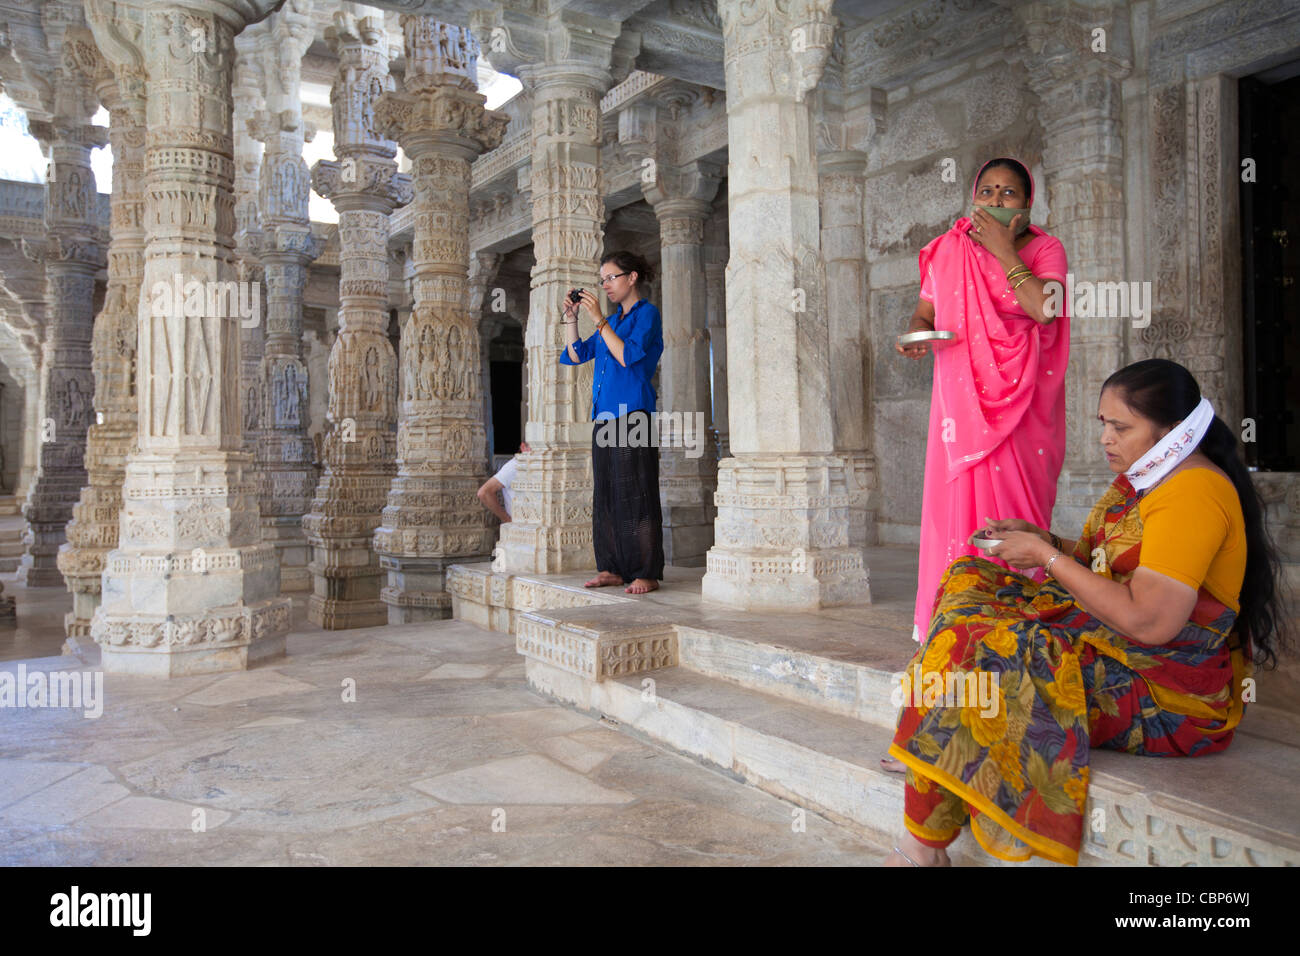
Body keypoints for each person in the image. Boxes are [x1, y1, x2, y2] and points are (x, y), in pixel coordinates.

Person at [884, 359, 1287, 867]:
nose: (1105, 438)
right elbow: (1116, 563)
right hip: (1115, 644)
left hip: (1163, 692)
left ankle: (922, 842)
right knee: (971, 580)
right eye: (1103, 423)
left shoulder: (1192, 493)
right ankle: (936, 742)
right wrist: (1045, 541)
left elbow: (1150, 622)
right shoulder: (1156, 476)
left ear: (1174, 429)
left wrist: (1046, 559)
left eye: (1121, 426)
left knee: (983, 662)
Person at [897, 158, 1071, 644]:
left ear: (1027, 203)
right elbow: (927, 307)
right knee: (955, 506)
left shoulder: (1045, 248)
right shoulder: (950, 249)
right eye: (988, 191)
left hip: (1024, 400)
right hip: (960, 402)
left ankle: (1014, 623)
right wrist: (917, 332)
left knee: (1014, 504)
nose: (996, 200)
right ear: (974, 197)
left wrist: (1002, 251)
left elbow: (1046, 308)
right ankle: (956, 622)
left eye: (1008, 193)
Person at [560, 251, 665, 595]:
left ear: (632, 277)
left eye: (611, 277)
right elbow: (575, 355)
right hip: (604, 417)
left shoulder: (646, 314)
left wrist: (598, 319)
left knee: (637, 495)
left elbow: (627, 355)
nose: (605, 285)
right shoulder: (613, 322)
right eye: (602, 279)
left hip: (633, 413)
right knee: (606, 495)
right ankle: (612, 568)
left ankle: (646, 572)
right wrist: (572, 319)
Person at [477, 441, 530, 523]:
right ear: (523, 447)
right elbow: (484, 492)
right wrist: (507, 519)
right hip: (520, 527)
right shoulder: (514, 466)